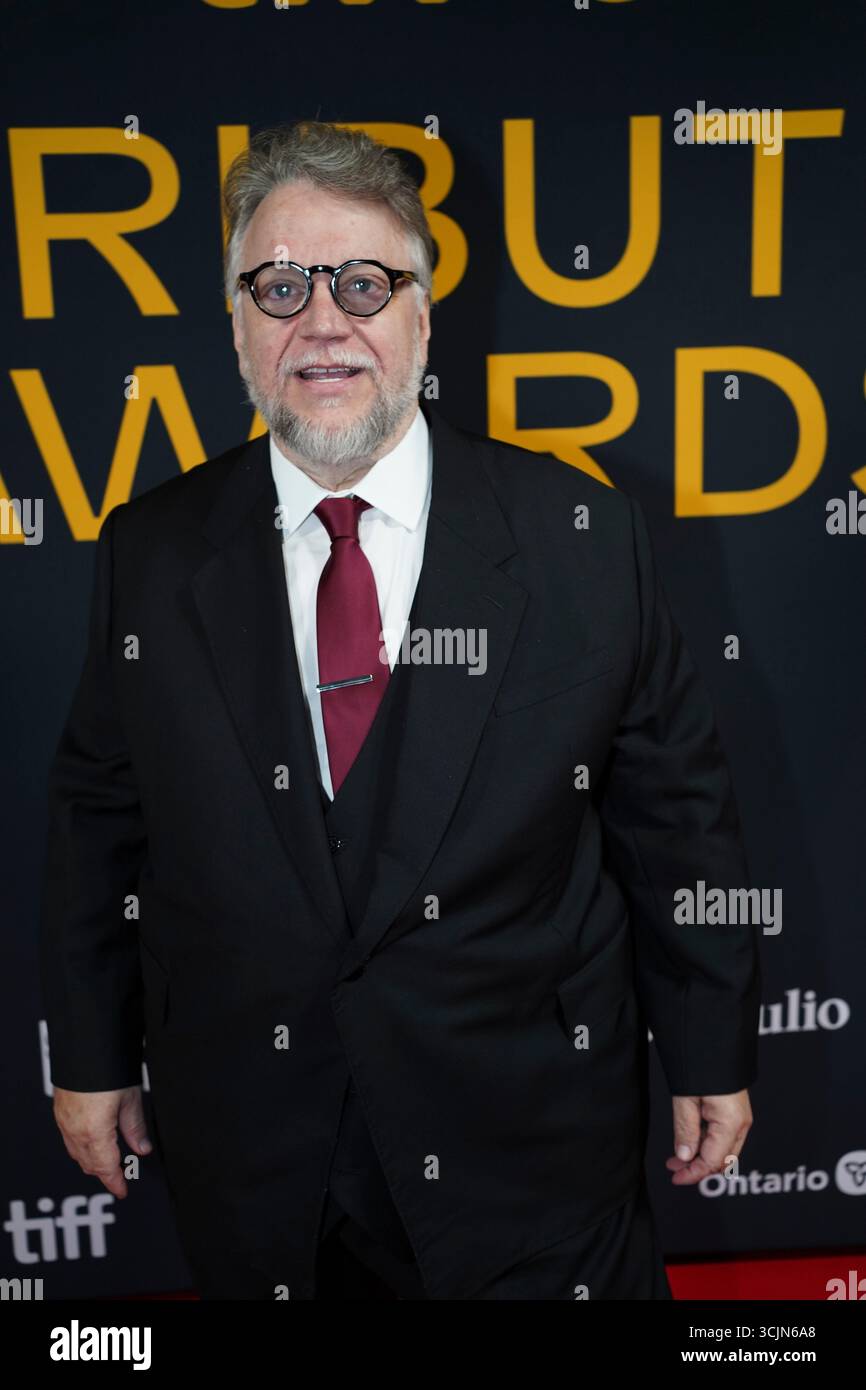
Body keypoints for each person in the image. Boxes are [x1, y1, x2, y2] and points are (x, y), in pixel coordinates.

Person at [40, 120, 760, 1301]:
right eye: (279, 285)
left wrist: (709, 1045)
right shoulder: (151, 553)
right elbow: (97, 818)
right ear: (234, 322)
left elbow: (673, 815)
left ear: (422, 317)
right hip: (260, 1159)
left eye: (364, 284)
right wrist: (92, 1050)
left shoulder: (580, 541)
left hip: (531, 1151)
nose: (322, 321)